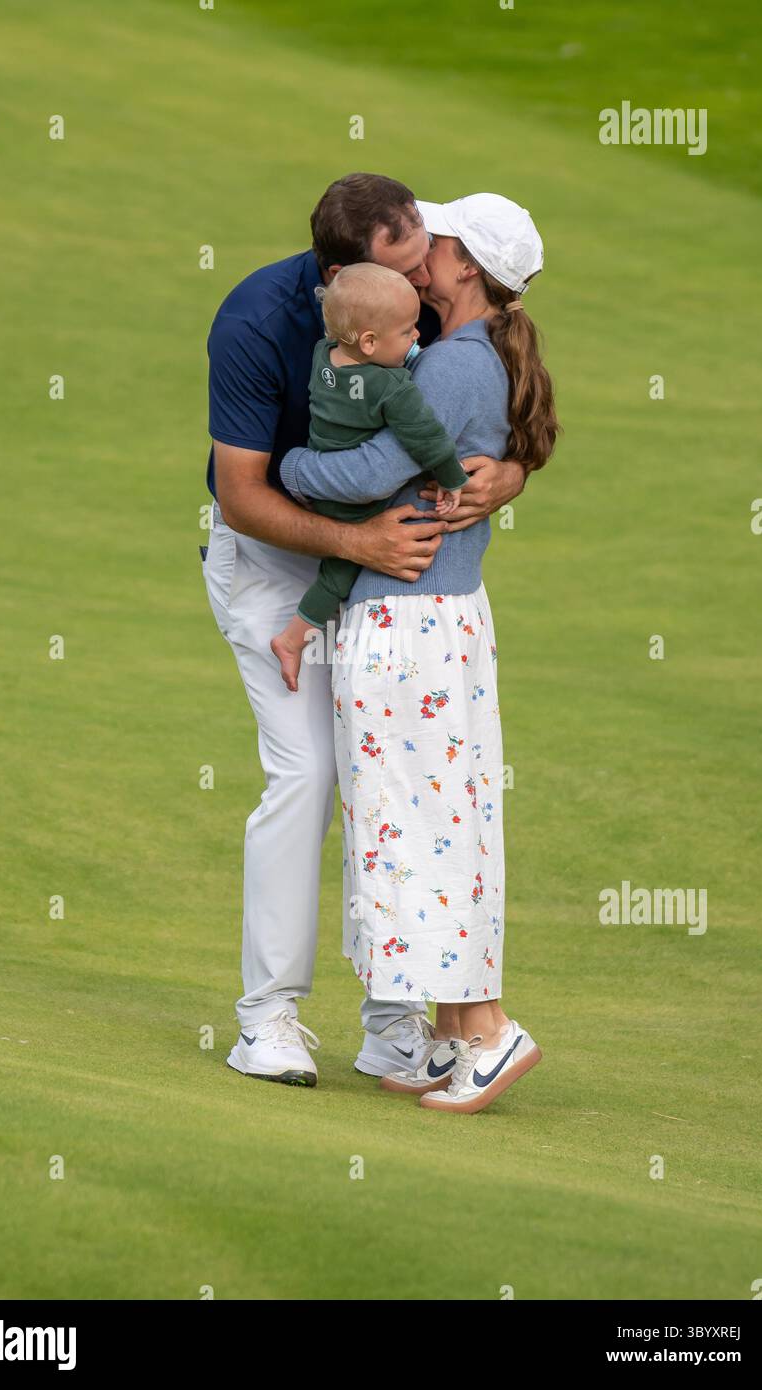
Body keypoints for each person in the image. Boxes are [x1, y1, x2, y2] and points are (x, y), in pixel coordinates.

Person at [201, 173, 530, 1089]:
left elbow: (475, 419)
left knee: (377, 775)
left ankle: (393, 1025)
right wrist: (358, 540)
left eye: (429, 255)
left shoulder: (428, 320)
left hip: (374, 574)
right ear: (343, 281)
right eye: (408, 266)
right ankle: (265, 1019)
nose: (426, 278)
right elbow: (242, 494)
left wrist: (507, 477)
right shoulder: (257, 321)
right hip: (272, 556)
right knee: (310, 772)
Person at [280, 193, 558, 1112]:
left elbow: (364, 478)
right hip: (426, 624)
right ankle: (452, 1030)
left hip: (413, 629)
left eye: (436, 241)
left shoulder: (449, 370)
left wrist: (284, 469)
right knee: (422, 823)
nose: (421, 250)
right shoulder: (454, 358)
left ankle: (486, 1028)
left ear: (465, 266)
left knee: (424, 826)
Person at [270, 262, 468, 693]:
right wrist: (452, 478)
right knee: (337, 573)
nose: (418, 336)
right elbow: (427, 437)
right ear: (370, 341)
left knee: (335, 569)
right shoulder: (390, 388)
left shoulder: (325, 355)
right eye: (408, 331)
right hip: (350, 503)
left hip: (320, 473)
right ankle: (291, 640)